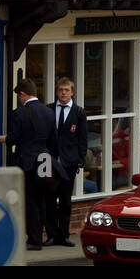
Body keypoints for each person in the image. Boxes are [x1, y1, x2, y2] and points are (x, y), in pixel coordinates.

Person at [0, 78, 56, 251]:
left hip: (27, 161)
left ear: (23, 94)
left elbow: (15, 139)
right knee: (41, 199)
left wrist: (4, 139)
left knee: (30, 200)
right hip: (45, 160)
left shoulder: (19, 113)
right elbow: (54, 140)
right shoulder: (48, 112)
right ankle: (39, 235)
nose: (19, 99)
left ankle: (34, 239)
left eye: (19, 95)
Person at [47, 77, 88, 248]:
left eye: (66, 90)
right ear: (57, 92)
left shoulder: (79, 112)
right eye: (60, 90)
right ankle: (51, 235)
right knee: (49, 199)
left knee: (65, 200)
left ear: (72, 92)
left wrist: (80, 160)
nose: (63, 93)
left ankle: (63, 235)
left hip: (69, 163)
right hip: (50, 161)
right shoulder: (48, 109)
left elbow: (83, 138)